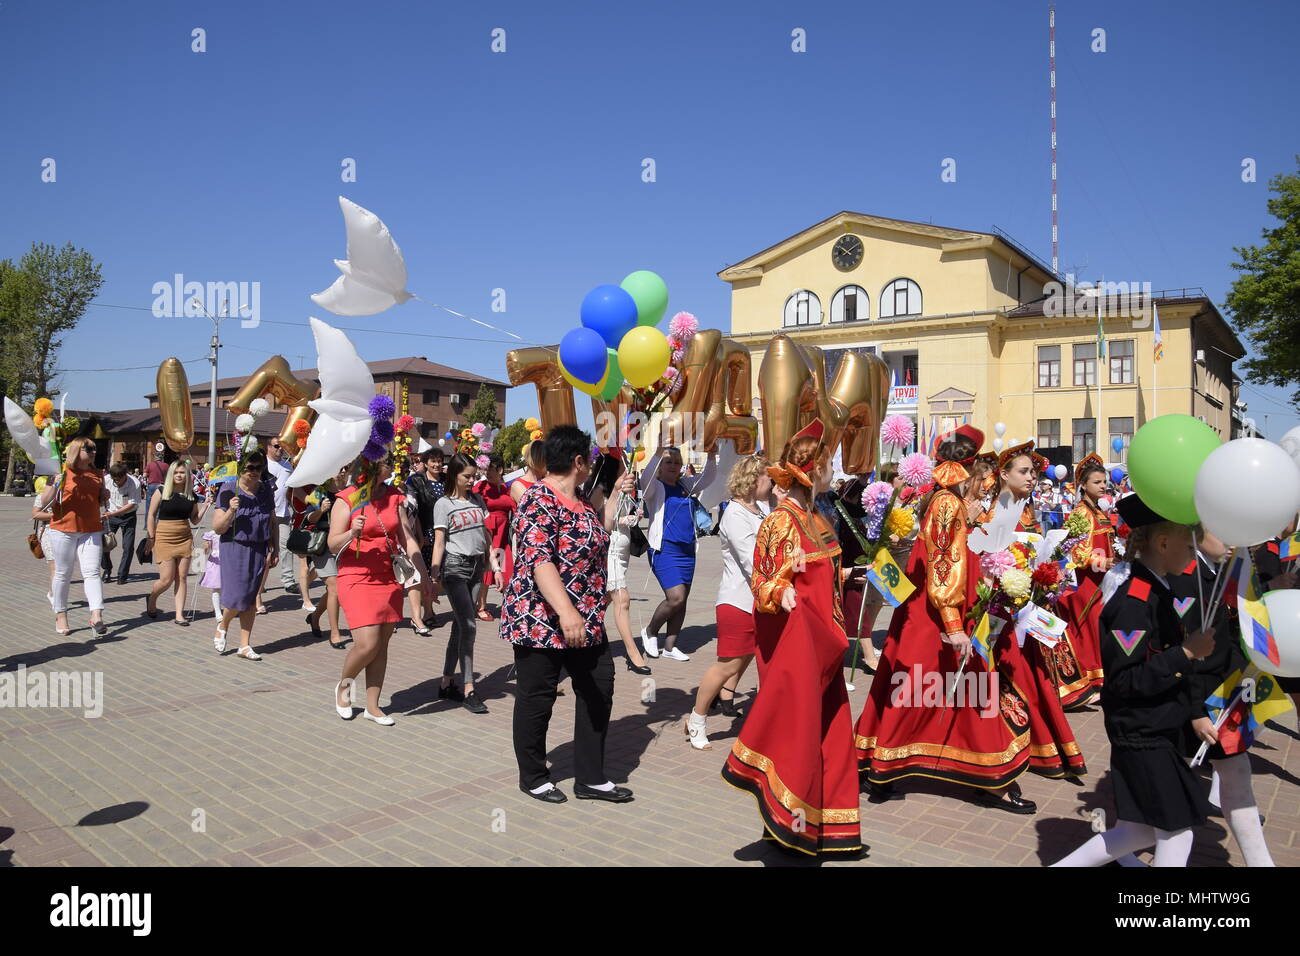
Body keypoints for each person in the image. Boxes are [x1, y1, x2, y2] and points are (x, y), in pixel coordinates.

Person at [856, 428, 1038, 812]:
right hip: (937, 618)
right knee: (934, 691)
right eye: (982, 469)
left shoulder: (946, 500)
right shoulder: (946, 504)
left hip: (931, 613)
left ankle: (886, 766)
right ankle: (984, 776)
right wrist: (954, 626)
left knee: (917, 691)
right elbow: (943, 567)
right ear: (968, 469)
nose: (987, 479)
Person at [1051, 493, 1216, 867]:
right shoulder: (1134, 602)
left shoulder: (1158, 589)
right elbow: (1126, 681)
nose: (1195, 552)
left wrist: (1193, 707)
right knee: (1177, 829)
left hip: (1156, 727)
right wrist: (1185, 653)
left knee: (1138, 831)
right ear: (1162, 542)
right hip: (1142, 732)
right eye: (1189, 542)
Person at [721, 421, 862, 855]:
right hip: (797, 646)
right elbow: (764, 581)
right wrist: (779, 593)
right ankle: (787, 827)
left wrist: (846, 574)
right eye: (828, 466)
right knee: (797, 732)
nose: (833, 474)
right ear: (811, 469)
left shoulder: (816, 515)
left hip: (825, 644)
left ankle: (827, 826)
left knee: (829, 731)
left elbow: (813, 572)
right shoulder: (780, 521)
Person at [501, 425, 632, 804]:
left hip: (586, 619)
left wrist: (615, 498)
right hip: (541, 619)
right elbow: (540, 561)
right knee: (537, 695)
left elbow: (595, 534)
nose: (591, 464)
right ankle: (534, 775)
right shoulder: (537, 499)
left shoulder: (579, 500)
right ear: (578, 461)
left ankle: (589, 778)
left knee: (598, 686)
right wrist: (566, 612)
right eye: (588, 459)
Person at [1173, 527, 1275, 866]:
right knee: (1154, 816)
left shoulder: (1222, 569)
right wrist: (1194, 710)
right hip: (1192, 701)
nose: (1232, 542)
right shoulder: (1186, 576)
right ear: (1196, 533)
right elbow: (1179, 653)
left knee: (1237, 773)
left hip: (1221, 692)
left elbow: (1230, 635)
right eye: (1221, 532)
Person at [988, 442, 1086, 779]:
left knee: (1040, 675)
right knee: (1016, 677)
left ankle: (1045, 747)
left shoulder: (1026, 510)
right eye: (1024, 472)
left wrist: (1051, 569)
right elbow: (987, 563)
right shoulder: (994, 512)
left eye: (1033, 472)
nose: (1032, 477)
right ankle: (1018, 747)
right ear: (1004, 474)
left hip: (1029, 606)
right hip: (1003, 613)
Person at [331, 453, 432, 724]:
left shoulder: (395, 497)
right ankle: (345, 688)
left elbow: (407, 538)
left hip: (387, 577)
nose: (392, 465)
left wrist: (424, 575)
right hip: (356, 575)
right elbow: (332, 544)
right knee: (367, 644)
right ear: (371, 465)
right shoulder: (347, 498)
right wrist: (352, 533)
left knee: (382, 645)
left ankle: (373, 706)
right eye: (387, 461)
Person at [686, 454, 771, 749]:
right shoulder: (735, 514)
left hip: (759, 600)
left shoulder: (759, 510)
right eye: (767, 477)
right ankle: (697, 718)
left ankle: (736, 704)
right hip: (737, 602)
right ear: (753, 479)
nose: (771, 482)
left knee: (749, 657)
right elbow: (752, 561)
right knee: (727, 664)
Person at [431, 453, 504, 714]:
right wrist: (434, 575)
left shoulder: (476, 499)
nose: (472, 480)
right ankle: (469, 688)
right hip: (454, 568)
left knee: (459, 627)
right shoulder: (443, 504)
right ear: (454, 475)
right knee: (469, 626)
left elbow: (486, 535)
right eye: (467, 476)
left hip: (476, 567)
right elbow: (440, 542)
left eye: (474, 475)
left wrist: (495, 567)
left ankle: (446, 682)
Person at [638, 443, 718, 661]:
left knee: (683, 601)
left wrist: (711, 455)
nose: (673, 466)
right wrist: (656, 453)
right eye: (668, 462)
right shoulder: (654, 487)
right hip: (664, 551)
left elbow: (708, 478)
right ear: (660, 466)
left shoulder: (686, 484)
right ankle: (651, 631)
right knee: (675, 597)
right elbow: (645, 480)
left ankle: (671, 646)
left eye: (676, 462)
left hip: (687, 551)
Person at [1054, 453, 1112, 710]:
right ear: (1083, 485)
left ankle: (1099, 681)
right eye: (1097, 482)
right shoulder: (1081, 513)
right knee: (1088, 631)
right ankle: (1089, 682)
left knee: (1098, 631)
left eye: (1104, 482)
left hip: (1102, 581)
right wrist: (1105, 563)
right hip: (1086, 583)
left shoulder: (1099, 510)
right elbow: (1077, 553)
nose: (1103, 486)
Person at [38, 437, 110, 637]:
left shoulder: (98, 473)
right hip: (63, 528)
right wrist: (54, 484)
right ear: (77, 450)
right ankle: (61, 614)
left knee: (92, 572)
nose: (94, 452)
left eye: (95, 448)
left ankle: (97, 615)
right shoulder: (61, 472)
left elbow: (99, 500)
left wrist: (104, 495)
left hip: (92, 528)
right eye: (89, 448)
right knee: (63, 573)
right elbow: (44, 502)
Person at [211, 452, 278, 661]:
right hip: (235, 546)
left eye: (258, 468)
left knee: (251, 597)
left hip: (259, 546)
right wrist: (231, 510)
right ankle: (223, 625)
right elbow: (218, 527)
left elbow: (272, 521)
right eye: (250, 467)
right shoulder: (229, 489)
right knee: (238, 594)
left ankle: (244, 645)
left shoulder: (265, 490)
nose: (254, 472)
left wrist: (274, 547)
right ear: (241, 469)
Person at [145, 460, 212, 626]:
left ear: (187, 475)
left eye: (182, 472)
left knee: (181, 577)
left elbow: (194, 520)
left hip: (184, 537)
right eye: (176, 472)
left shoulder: (191, 496)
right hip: (164, 537)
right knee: (166, 579)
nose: (179, 475)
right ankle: (152, 597)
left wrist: (205, 506)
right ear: (171, 475)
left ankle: (179, 615)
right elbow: (150, 515)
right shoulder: (161, 491)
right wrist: (151, 537)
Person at [1254, 518, 1300, 711]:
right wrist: (1275, 584)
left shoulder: (1284, 545)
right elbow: (1261, 586)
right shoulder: (1266, 548)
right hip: (1277, 628)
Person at [305, 468, 350, 649]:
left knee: (336, 591)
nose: (341, 472)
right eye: (338, 469)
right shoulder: (319, 491)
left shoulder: (352, 491)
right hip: (322, 545)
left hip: (345, 545)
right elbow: (308, 518)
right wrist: (320, 511)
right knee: (335, 588)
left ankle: (315, 617)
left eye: (345, 469)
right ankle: (335, 632)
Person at [404, 449, 445, 633]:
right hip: (426, 532)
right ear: (426, 462)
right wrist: (420, 535)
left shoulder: (447, 480)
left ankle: (428, 609)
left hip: (443, 532)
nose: (437, 465)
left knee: (438, 574)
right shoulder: (417, 481)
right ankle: (427, 612)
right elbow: (414, 510)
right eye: (433, 461)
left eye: (439, 461)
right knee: (425, 574)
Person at [473, 454, 515, 621]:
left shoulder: (508, 489)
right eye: (486, 469)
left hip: (503, 535)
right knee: (487, 569)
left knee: (507, 570)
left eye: (492, 469)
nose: (488, 472)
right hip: (487, 533)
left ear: (500, 470)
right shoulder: (480, 487)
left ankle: (511, 605)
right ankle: (481, 606)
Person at [262, 437, 297, 601]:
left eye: (282, 446)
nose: (280, 449)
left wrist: (295, 508)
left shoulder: (287, 465)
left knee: (286, 547)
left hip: (283, 513)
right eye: (276, 446)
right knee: (264, 550)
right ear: (268, 447)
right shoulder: (263, 465)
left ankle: (288, 580)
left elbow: (290, 490)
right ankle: (259, 583)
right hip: (265, 513)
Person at [99, 462, 141, 584]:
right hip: (110, 515)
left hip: (128, 516)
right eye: (114, 480)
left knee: (127, 547)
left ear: (125, 476)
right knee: (104, 544)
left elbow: (132, 504)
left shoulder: (134, 483)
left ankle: (122, 574)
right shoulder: (106, 480)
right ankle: (107, 569)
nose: (116, 482)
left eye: (119, 480)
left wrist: (113, 514)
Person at [142, 449, 168, 526]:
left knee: (149, 506)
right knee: (160, 506)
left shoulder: (150, 465)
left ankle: (147, 525)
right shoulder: (166, 465)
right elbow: (168, 477)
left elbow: (144, 475)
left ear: (155, 457)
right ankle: (158, 524)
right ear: (162, 457)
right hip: (161, 486)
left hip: (151, 485)